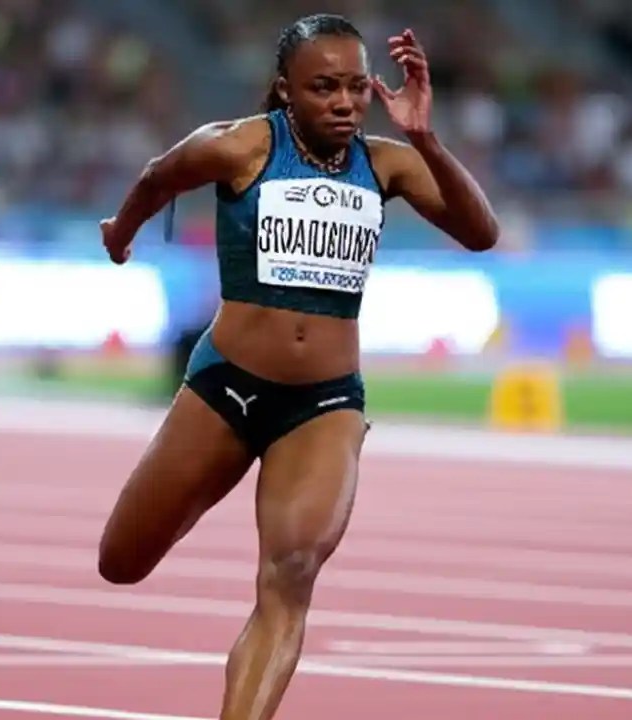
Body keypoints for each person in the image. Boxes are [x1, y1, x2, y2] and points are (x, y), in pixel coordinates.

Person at [96, 14, 498, 720]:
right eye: (323, 88)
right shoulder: (241, 146)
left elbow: (481, 232)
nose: (344, 103)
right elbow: (160, 176)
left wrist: (426, 139)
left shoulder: (387, 163)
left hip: (324, 404)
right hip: (226, 389)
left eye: (356, 87)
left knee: (291, 572)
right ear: (286, 90)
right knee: (121, 561)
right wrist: (122, 232)